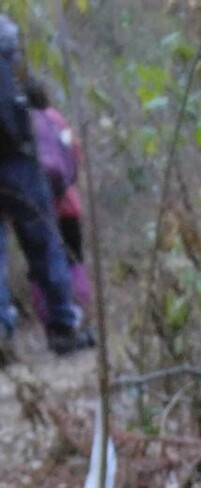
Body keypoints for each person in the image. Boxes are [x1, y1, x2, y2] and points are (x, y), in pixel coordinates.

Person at [0, 14, 92, 356]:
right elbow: (35, 97)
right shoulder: (7, 35)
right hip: (19, 157)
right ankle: (62, 326)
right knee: (43, 242)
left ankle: (2, 332)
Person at [26, 79, 91, 325]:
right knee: (74, 258)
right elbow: (75, 153)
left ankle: (53, 320)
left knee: (40, 265)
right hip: (67, 203)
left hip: (34, 208)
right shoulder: (56, 119)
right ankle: (83, 311)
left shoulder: (20, 123)